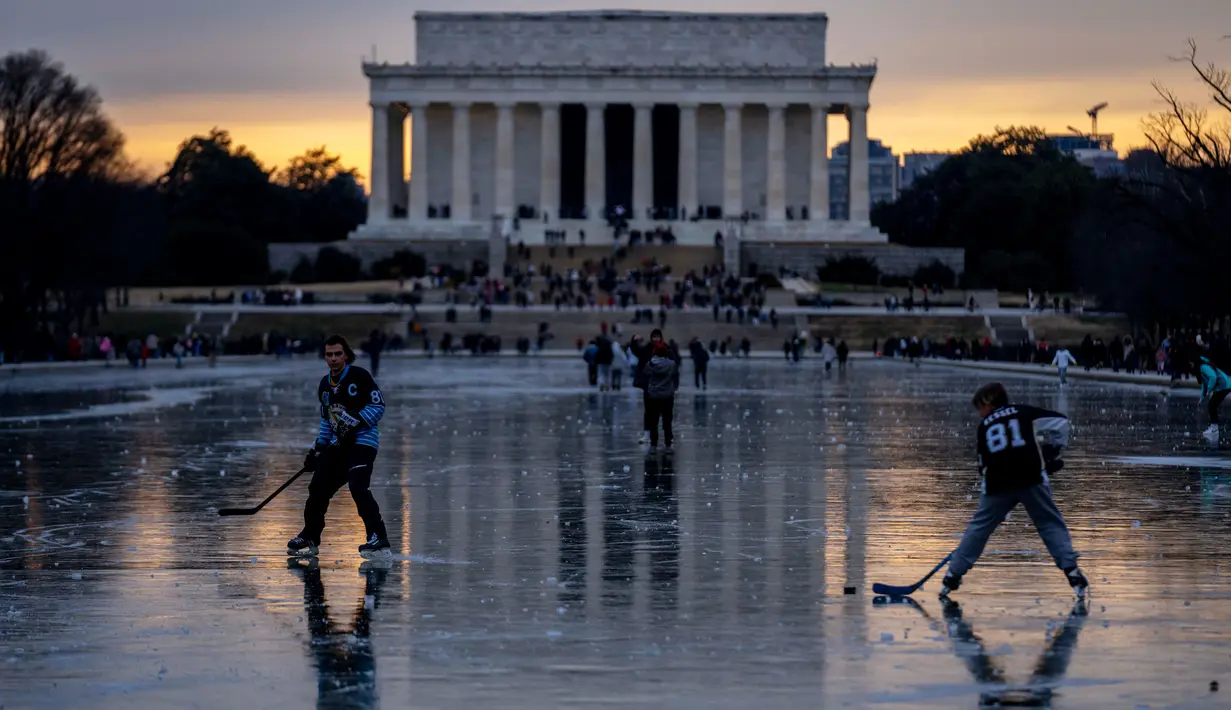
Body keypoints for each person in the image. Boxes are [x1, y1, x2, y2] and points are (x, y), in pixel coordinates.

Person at [940, 383, 1088, 599]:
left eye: (980, 409)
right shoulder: (1023, 411)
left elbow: (983, 467)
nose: (979, 414)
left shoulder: (984, 427)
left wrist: (987, 494)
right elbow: (1060, 422)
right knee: (1049, 522)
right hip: (1030, 476)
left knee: (979, 528)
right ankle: (1072, 571)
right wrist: (1053, 451)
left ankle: (953, 575)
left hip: (997, 481)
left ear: (988, 404)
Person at [288, 335, 391, 559]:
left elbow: (378, 406)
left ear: (346, 355)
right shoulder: (325, 385)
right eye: (329, 355)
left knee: (358, 486)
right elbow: (327, 420)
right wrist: (318, 448)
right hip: (338, 446)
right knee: (317, 488)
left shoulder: (359, 376)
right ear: (324, 357)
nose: (333, 359)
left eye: (338, 354)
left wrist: (357, 420)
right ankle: (310, 535)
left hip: (363, 442)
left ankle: (377, 536)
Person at [643, 341, 679, 451]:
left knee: (654, 420)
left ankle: (654, 442)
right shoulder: (671, 364)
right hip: (667, 395)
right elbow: (675, 377)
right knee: (667, 420)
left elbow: (645, 376)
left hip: (654, 395)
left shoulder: (650, 364)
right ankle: (668, 441)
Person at [1196, 355, 1231, 441]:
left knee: (1212, 406)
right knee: (1212, 406)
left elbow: (1213, 377)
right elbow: (1204, 385)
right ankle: (1214, 427)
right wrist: (1201, 399)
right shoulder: (1203, 369)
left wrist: (1209, 389)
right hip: (1224, 386)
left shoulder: (1203, 367)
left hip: (1224, 386)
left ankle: (1214, 429)